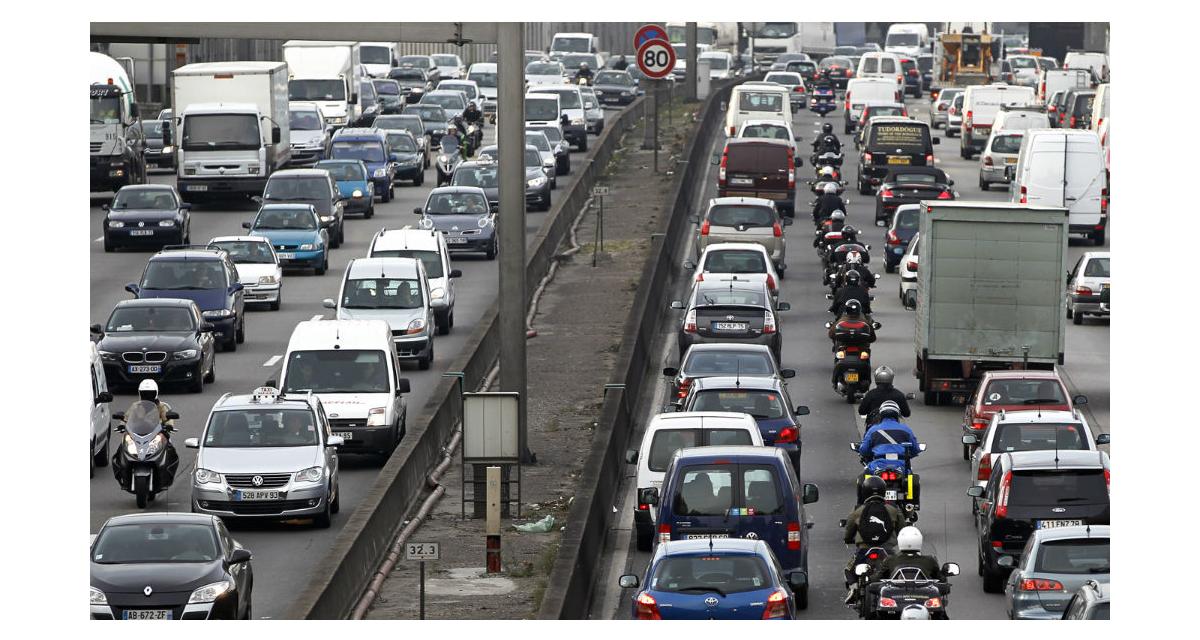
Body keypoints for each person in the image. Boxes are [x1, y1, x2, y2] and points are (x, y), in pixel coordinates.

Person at [843, 475, 904, 601]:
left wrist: (848, 539)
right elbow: (902, 530)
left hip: (864, 550)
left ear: (863, 491)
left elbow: (849, 531)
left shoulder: (858, 510)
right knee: (896, 571)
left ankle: (853, 589)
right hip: (888, 550)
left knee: (848, 571)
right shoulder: (893, 509)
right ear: (884, 490)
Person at [868, 526, 944, 583]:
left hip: (896, 597)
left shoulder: (890, 560)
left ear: (900, 540)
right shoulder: (929, 560)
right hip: (923, 597)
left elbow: (877, 579)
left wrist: (868, 577)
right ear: (919, 540)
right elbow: (942, 581)